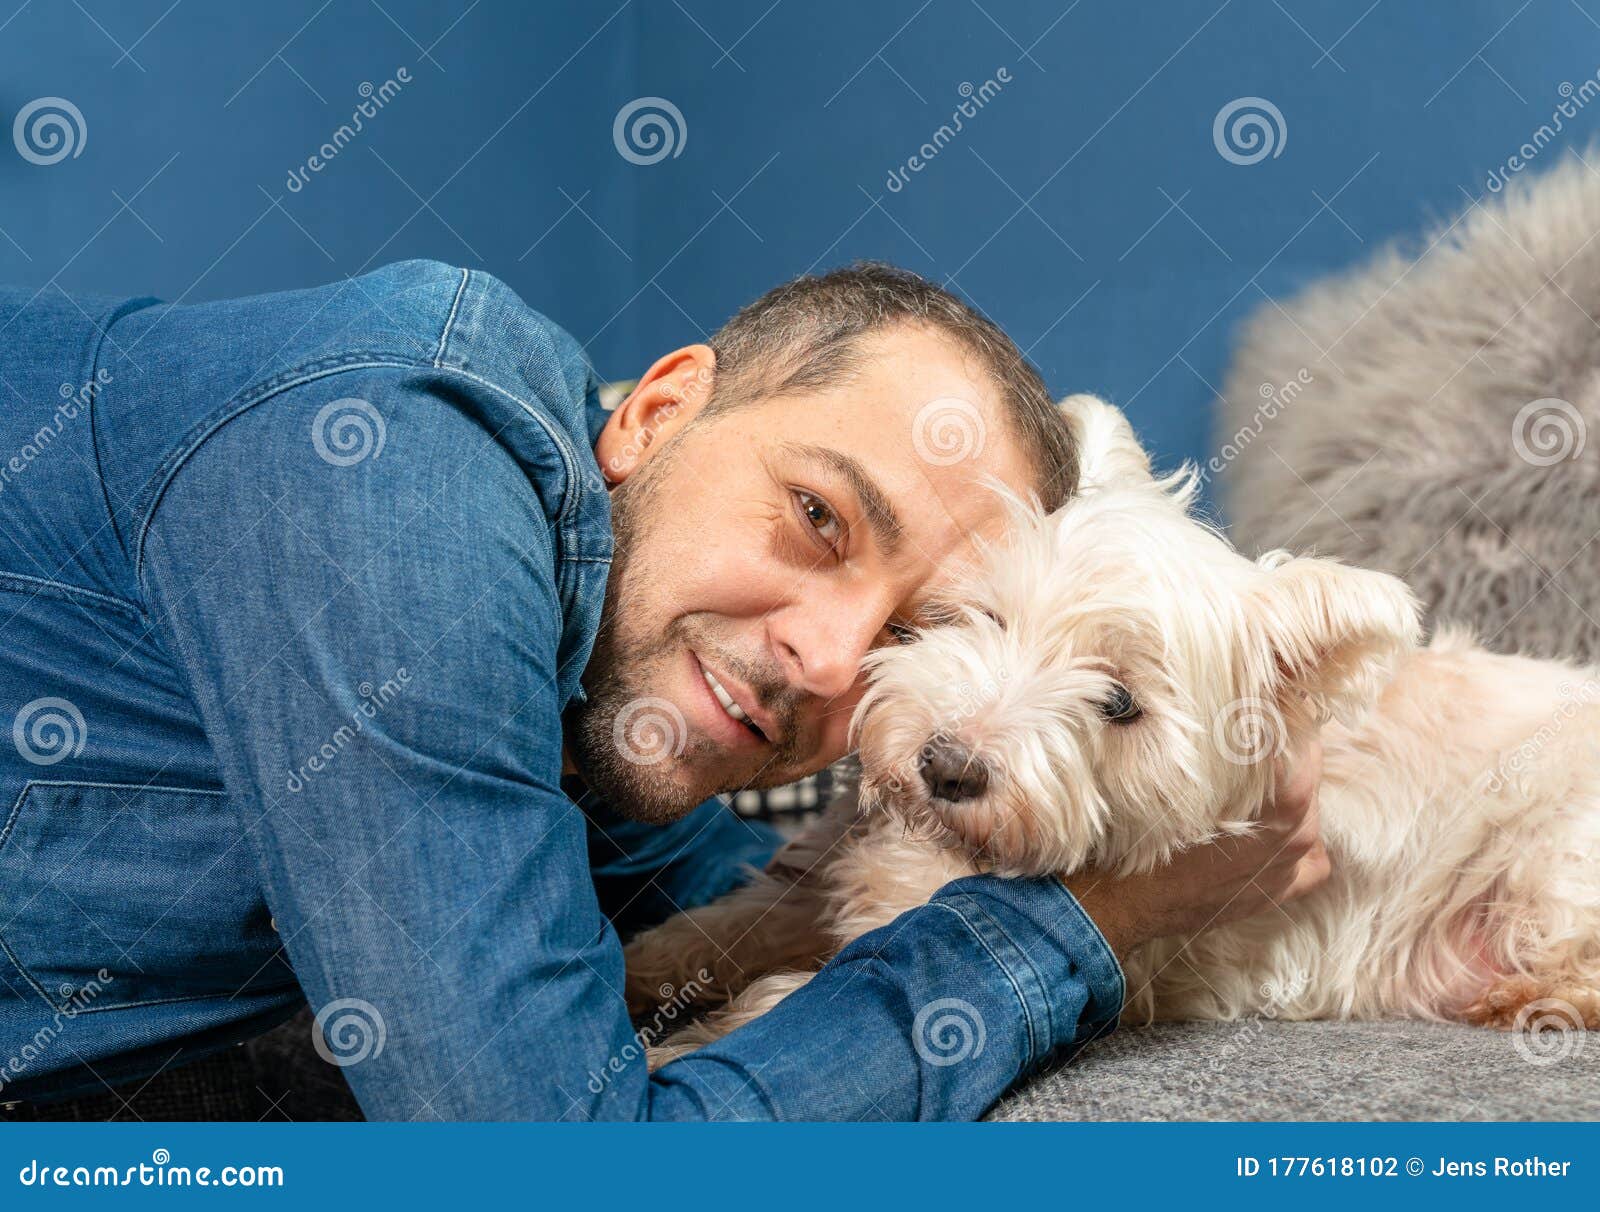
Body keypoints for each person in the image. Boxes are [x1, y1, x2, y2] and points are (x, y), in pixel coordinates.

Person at [0, 260, 1327, 1119]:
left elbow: (705, 903)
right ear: (655, 412)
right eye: (816, 515)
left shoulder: (612, 669)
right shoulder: (398, 482)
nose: (824, 655)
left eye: (910, 633)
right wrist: (1088, 928)